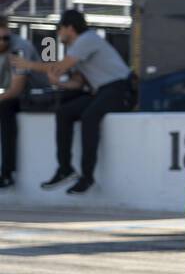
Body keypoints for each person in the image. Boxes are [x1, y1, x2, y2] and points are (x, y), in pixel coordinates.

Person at [10, 10, 133, 194]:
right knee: (64, 112)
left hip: (121, 89)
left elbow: (58, 66)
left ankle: (87, 177)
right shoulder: (76, 47)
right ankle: (65, 168)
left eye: (59, 29)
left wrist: (27, 64)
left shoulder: (86, 39)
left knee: (89, 116)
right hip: (102, 91)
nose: (58, 33)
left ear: (70, 28)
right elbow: (78, 81)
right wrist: (59, 83)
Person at [0, 18, 38, 189]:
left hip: (33, 94)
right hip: (7, 92)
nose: (2, 42)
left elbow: (16, 89)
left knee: (5, 109)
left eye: (5, 38)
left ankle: (7, 173)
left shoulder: (19, 49)